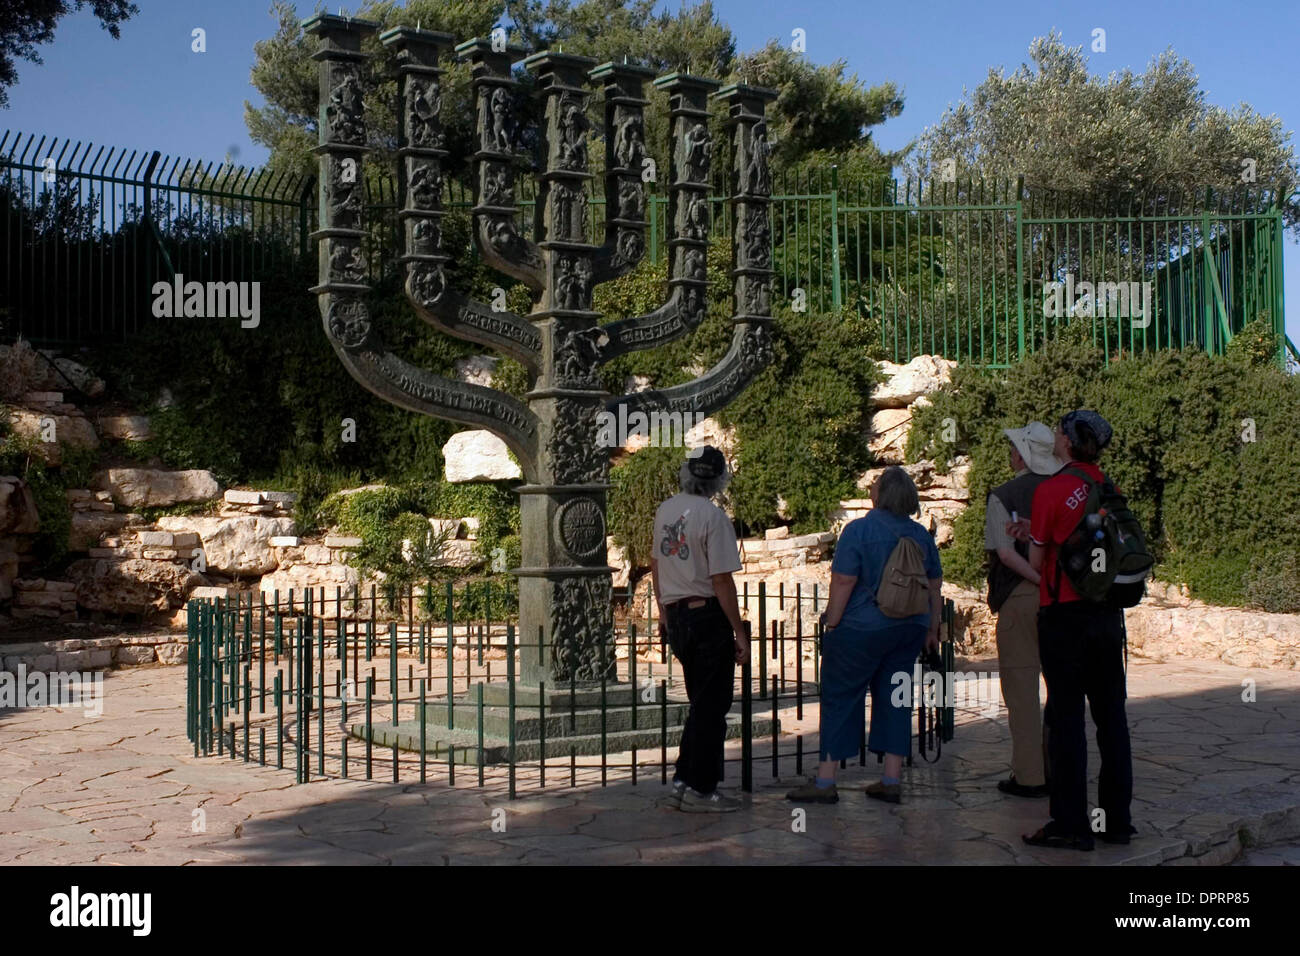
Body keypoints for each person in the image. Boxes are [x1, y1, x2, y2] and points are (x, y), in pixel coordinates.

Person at [787, 466, 942, 806]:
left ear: (880, 494)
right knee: (895, 698)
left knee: (841, 697)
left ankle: (826, 780)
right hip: (910, 629)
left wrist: (833, 621)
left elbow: (843, 581)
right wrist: (933, 629)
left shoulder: (858, 531)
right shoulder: (921, 536)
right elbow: (934, 586)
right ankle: (891, 778)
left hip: (862, 628)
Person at [1016, 410, 1135, 851]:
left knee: (1066, 720)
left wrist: (1029, 535)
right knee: (1111, 718)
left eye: (1059, 430)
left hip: (1064, 616)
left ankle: (1070, 823)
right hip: (1107, 617)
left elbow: (1036, 563)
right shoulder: (1108, 487)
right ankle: (1116, 821)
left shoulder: (1052, 489)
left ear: (1066, 439)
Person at [651, 446, 749, 813]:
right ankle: (702, 790)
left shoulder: (666, 509)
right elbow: (721, 579)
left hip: (676, 616)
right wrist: (739, 631)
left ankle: (682, 782)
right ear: (719, 479)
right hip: (706, 616)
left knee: (700, 705)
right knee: (712, 708)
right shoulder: (714, 517)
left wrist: (662, 611)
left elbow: (656, 561)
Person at [985, 422, 1063, 798]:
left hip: (1019, 596)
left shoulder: (1004, 495)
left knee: (1022, 691)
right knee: (1063, 689)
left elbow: (1003, 552)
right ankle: (1064, 769)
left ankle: (1031, 776)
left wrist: (1035, 576)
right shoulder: (1067, 490)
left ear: (1020, 455)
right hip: (1064, 599)